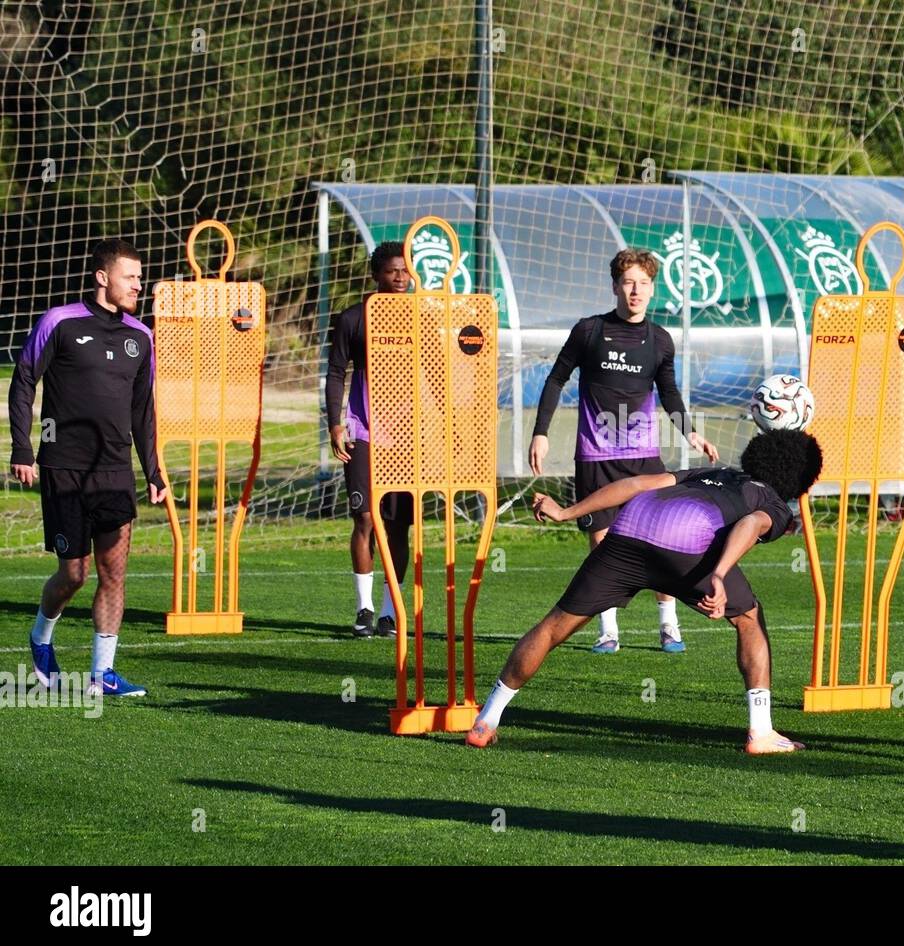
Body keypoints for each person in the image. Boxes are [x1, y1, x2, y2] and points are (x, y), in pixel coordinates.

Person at [467, 428, 821, 754]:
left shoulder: (710, 472)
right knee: (749, 618)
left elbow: (636, 485)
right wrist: (720, 574)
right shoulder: (775, 504)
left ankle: (487, 719)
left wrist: (566, 512)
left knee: (552, 627)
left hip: (629, 530)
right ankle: (761, 733)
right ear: (800, 480)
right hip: (686, 545)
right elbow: (750, 523)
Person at [528, 249, 719, 654]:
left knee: (659, 537)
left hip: (642, 458)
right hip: (596, 457)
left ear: (652, 289)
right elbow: (555, 379)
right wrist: (540, 433)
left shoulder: (660, 340)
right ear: (615, 286)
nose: (636, 291)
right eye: (629, 282)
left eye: (644, 283)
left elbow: (669, 395)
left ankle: (668, 625)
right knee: (602, 546)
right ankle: (608, 629)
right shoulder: (589, 331)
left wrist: (691, 435)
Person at [8, 238, 168, 697]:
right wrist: (23, 449)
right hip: (64, 468)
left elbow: (143, 410)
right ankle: (41, 638)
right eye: (130, 277)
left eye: (140, 277)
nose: (139, 284)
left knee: (114, 572)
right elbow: (23, 382)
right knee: (74, 574)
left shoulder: (142, 336)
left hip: (115, 472)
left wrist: (153, 470)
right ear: (103, 277)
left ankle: (103, 673)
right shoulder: (59, 322)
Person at [325, 241, 416, 637]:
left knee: (397, 528)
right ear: (376, 274)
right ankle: (363, 608)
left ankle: (388, 612)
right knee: (365, 518)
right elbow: (334, 373)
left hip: (409, 440)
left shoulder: (421, 320)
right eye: (393, 270)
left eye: (405, 270)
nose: (400, 278)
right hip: (363, 434)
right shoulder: (354, 318)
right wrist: (335, 423)